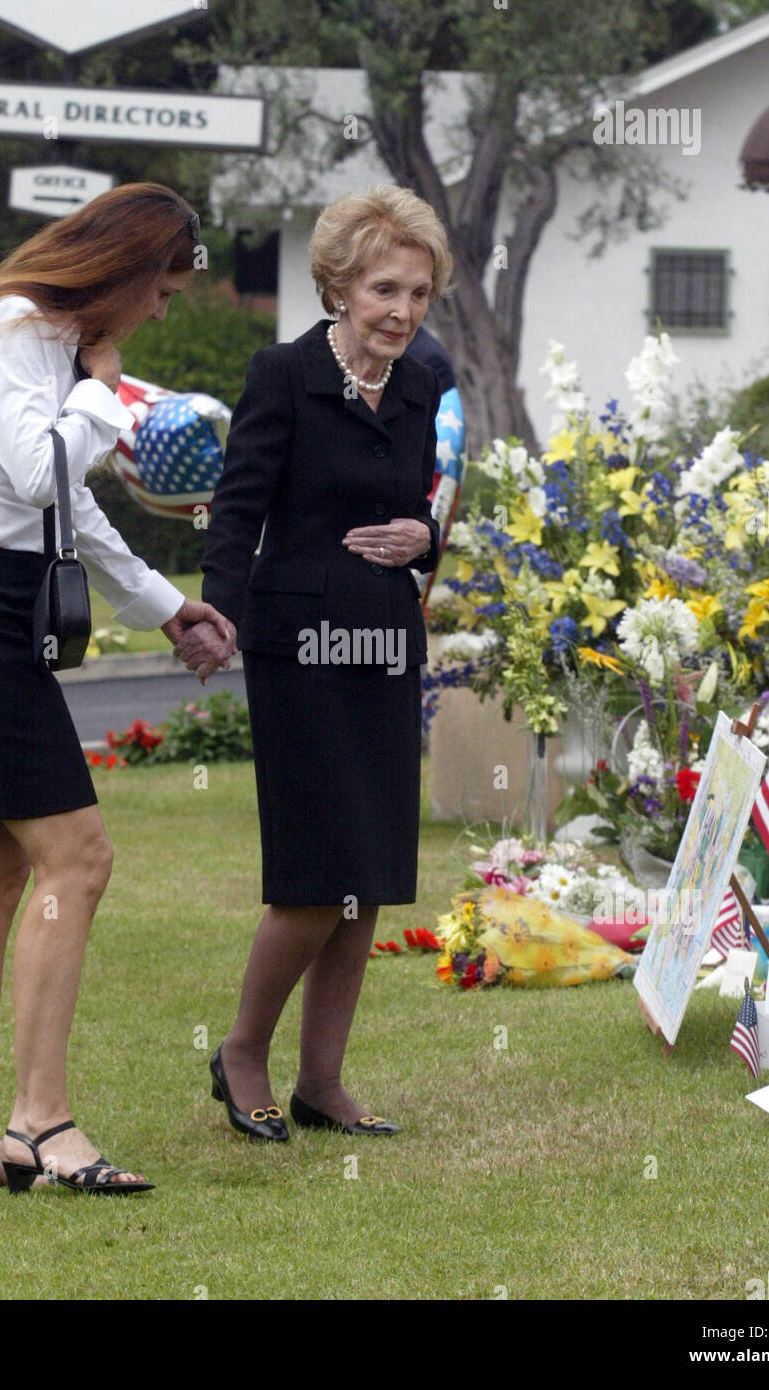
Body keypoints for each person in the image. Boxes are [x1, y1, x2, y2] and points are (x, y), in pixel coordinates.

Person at [0, 182, 235, 1193]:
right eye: (162, 294)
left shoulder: (41, 344)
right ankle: (41, 1121)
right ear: (126, 270)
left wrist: (169, 604)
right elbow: (42, 473)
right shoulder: (16, 328)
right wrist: (105, 383)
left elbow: (67, 511)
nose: (158, 314)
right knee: (77, 861)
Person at [187, 185, 450, 1141]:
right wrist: (213, 613)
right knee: (311, 875)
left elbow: (427, 518)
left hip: (384, 641)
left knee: (367, 875)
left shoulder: (422, 385)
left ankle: (322, 1080)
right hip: (296, 645)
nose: (404, 312)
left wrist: (424, 537)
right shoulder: (281, 374)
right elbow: (239, 507)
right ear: (338, 284)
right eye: (386, 289)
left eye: (419, 294)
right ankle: (244, 1051)